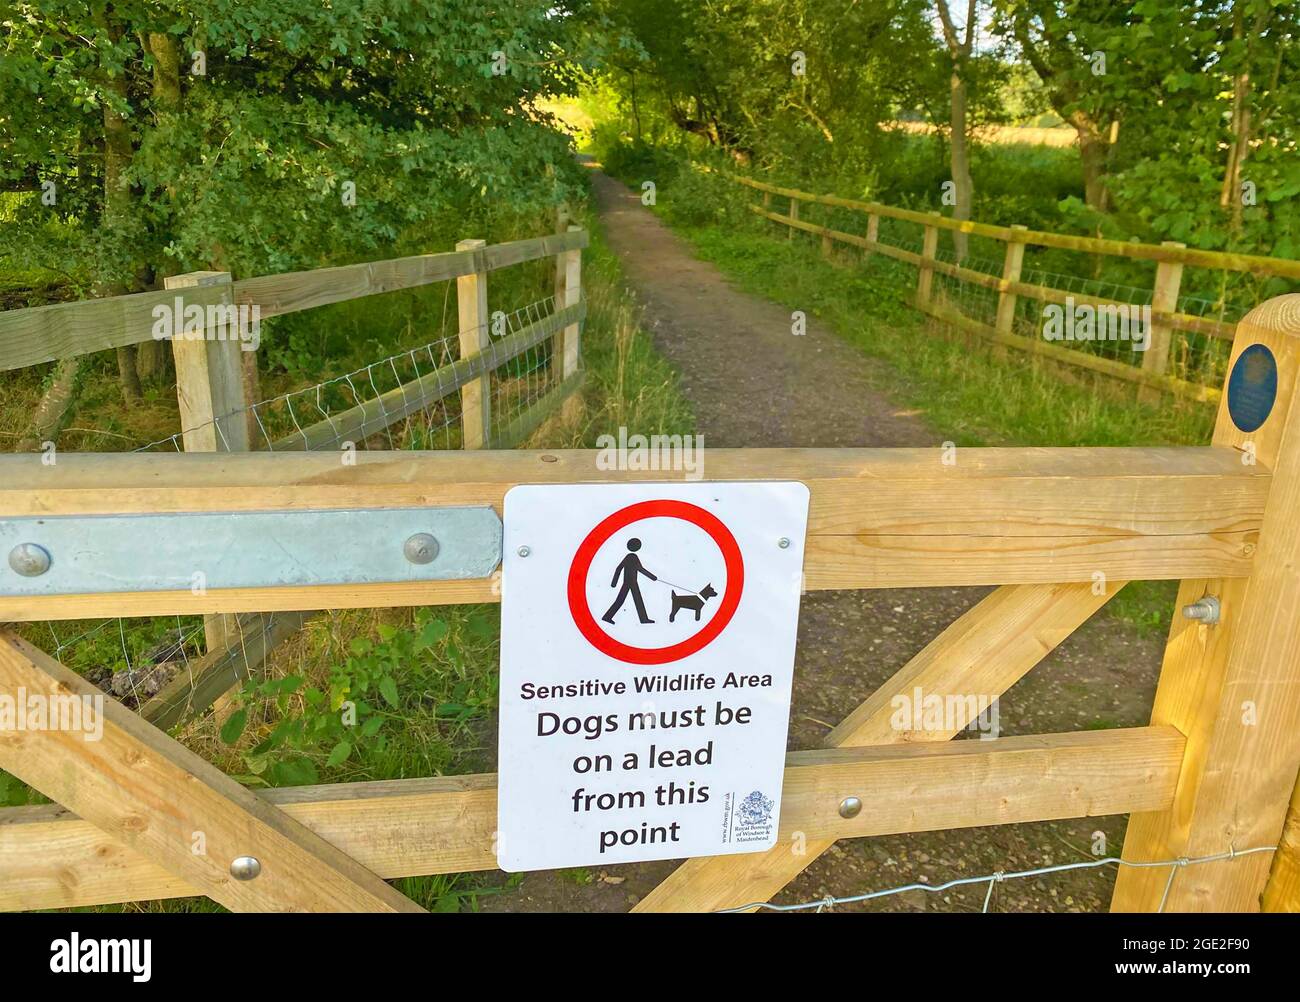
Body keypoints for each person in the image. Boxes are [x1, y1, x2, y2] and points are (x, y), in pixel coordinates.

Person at [602, 538, 657, 624]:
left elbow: (619, 568)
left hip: (629, 582)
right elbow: (640, 569)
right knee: (633, 600)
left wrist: (614, 583)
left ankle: (608, 616)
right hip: (631, 582)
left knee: (630, 600)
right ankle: (643, 619)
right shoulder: (633, 557)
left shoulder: (629, 556)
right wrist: (652, 577)